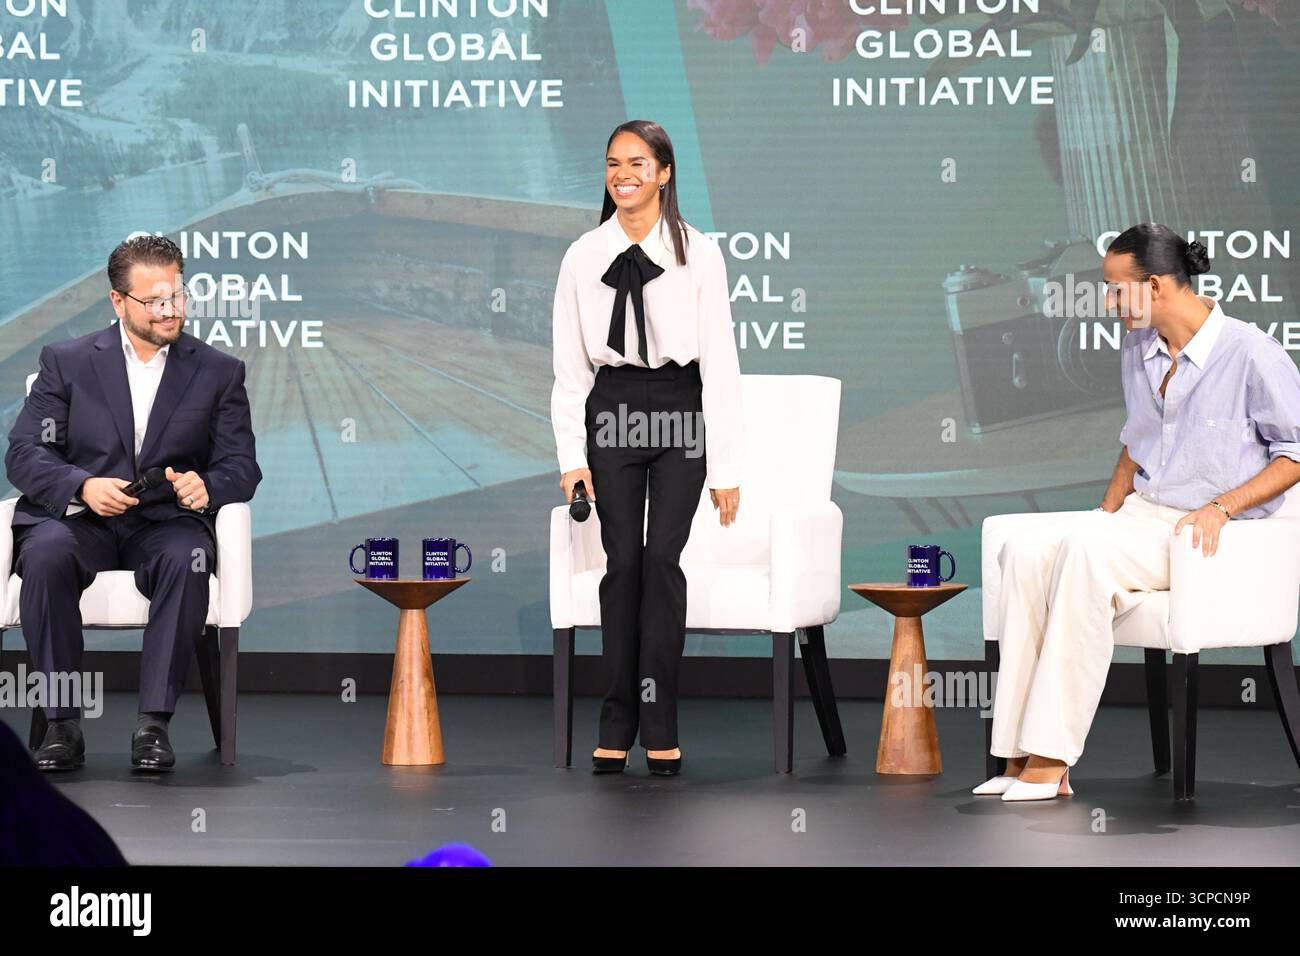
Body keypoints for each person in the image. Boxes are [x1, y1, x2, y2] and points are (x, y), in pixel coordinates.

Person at [976, 222, 1300, 801]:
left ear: (1154, 287)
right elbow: (1137, 442)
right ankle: (1018, 753)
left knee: (1085, 554)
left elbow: (1294, 454)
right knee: (1024, 551)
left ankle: (1052, 759)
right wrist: (1105, 512)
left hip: (1209, 535)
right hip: (1144, 519)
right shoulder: (1138, 347)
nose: (1106, 302)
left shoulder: (1252, 354)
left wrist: (1222, 507)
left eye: (1115, 288)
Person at [6, 235, 262, 773]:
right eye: (154, 301)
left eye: (177, 295)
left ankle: (153, 725)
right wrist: (81, 485)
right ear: (118, 301)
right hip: (83, 520)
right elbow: (25, 453)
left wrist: (208, 487)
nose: (170, 310)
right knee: (46, 555)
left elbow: (242, 465)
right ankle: (61, 724)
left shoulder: (218, 372)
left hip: (166, 522)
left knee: (185, 559)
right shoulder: (67, 362)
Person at [550, 120, 744, 776]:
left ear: (664, 172)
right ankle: (616, 718)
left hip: (679, 412)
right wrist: (570, 456)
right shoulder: (582, 255)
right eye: (612, 162)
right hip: (612, 413)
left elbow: (721, 363)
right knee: (622, 564)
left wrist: (727, 464)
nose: (622, 173)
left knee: (662, 559)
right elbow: (570, 371)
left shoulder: (700, 252)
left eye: (637, 162)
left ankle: (660, 720)